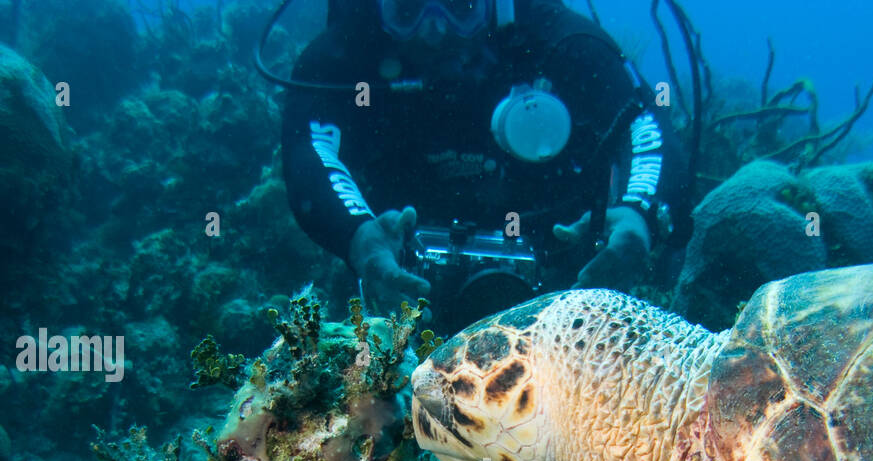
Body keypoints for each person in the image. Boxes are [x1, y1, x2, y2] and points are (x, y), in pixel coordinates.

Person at [280, 0, 690, 329]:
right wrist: (357, 234)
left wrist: (640, 214)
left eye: (460, 7)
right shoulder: (345, 51)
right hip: (400, 287)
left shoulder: (555, 35)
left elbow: (643, 122)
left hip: (565, 290)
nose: (435, 29)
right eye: (408, 9)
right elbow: (309, 149)